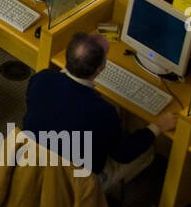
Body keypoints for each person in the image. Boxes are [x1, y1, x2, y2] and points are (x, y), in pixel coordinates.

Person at [21, 32, 178, 193]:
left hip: (33, 164)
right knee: (146, 153)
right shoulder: (103, 112)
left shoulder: (41, 79)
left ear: (67, 55)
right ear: (100, 68)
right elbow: (124, 154)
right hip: (73, 184)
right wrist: (158, 126)